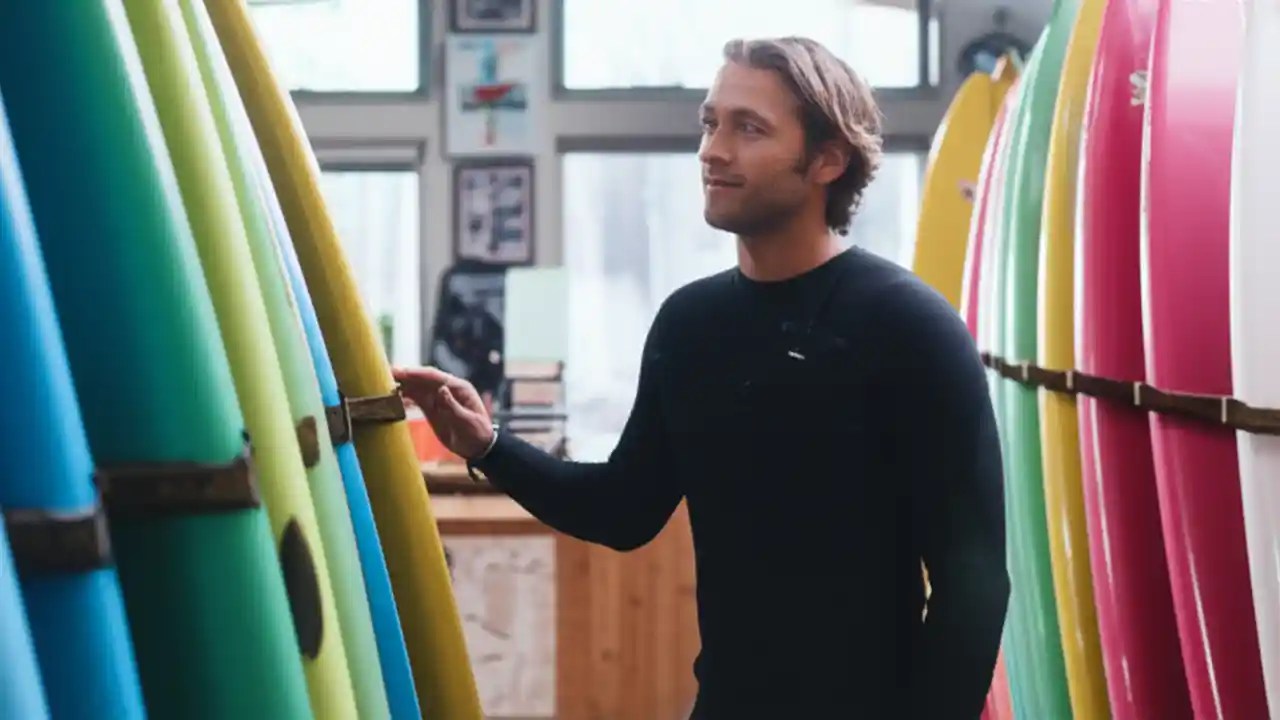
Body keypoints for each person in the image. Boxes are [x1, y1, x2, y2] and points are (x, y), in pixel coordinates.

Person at [396, 36, 1009, 719]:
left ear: (828, 159)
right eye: (711, 123)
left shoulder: (911, 327)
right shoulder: (691, 325)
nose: (712, 150)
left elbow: (973, 586)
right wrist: (487, 446)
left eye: (749, 129)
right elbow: (623, 510)